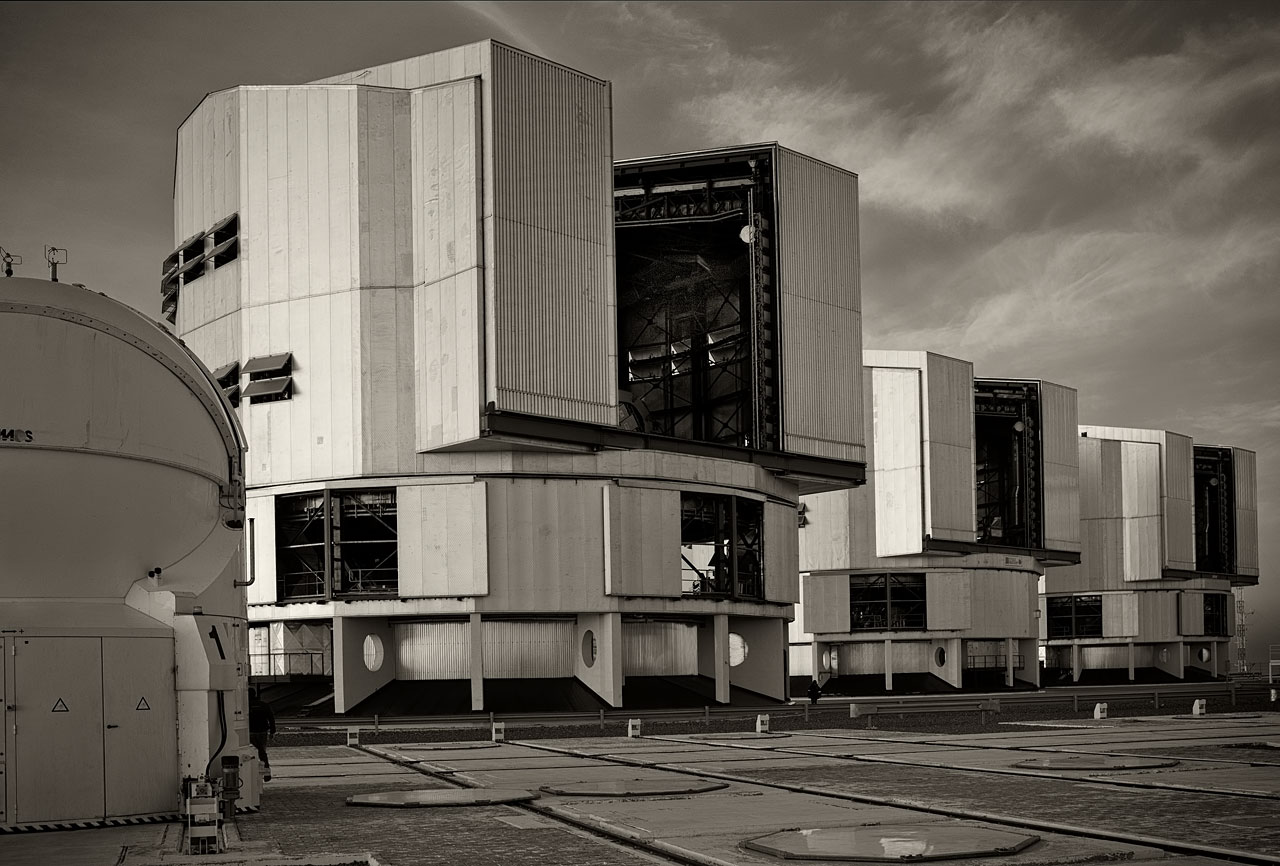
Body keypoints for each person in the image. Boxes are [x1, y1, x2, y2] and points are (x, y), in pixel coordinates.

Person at [249, 689, 276, 781]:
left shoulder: (245, 705)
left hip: (250, 732)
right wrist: (272, 731)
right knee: (262, 752)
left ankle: (252, 773)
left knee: (251, 753)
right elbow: (271, 718)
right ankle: (266, 772)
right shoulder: (264, 705)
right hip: (262, 731)